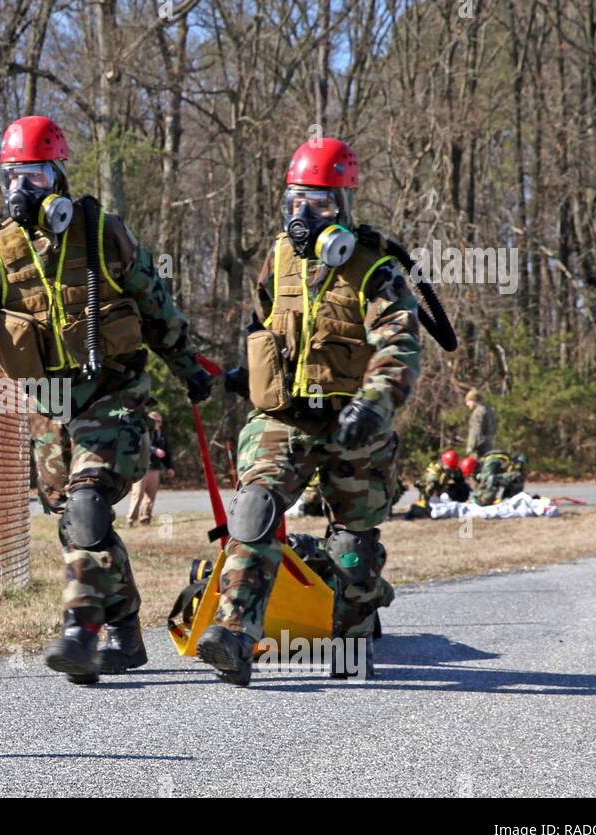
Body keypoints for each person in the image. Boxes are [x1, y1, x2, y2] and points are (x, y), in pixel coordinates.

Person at [0, 115, 212, 684]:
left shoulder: (103, 232)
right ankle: (126, 633)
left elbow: (156, 307)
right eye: (10, 177)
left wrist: (189, 369)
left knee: (86, 507)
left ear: (57, 175)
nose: (19, 191)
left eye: (31, 177)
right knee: (80, 523)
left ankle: (80, 631)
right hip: (49, 408)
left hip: (115, 399)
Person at [206, 137, 422, 684]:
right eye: (298, 200)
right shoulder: (279, 258)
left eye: (320, 204)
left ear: (344, 206)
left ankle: (355, 630)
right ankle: (234, 635)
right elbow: (261, 326)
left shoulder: (376, 269)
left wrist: (376, 404)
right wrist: (248, 375)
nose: (305, 215)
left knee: (352, 548)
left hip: (356, 423)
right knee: (255, 509)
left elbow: (401, 345)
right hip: (287, 419)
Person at [126, 410, 173, 526]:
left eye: (160, 421)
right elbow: (141, 444)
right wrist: (154, 450)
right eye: (156, 421)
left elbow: (167, 452)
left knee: (151, 496)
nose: (158, 423)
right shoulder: (142, 432)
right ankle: (131, 520)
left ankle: (145, 518)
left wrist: (169, 467)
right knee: (138, 494)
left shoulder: (161, 434)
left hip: (155, 468)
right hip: (141, 468)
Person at [408, 449, 471, 517]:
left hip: (447, 496)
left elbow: (461, 483)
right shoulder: (436, 470)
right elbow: (429, 487)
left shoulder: (456, 470)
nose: (450, 470)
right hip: (435, 495)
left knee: (462, 487)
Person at [465, 388, 497, 457]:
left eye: (468, 401)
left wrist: (470, 448)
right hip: (488, 446)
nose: (467, 404)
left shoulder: (478, 412)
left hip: (479, 449)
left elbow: (476, 431)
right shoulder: (489, 410)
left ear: (474, 400)